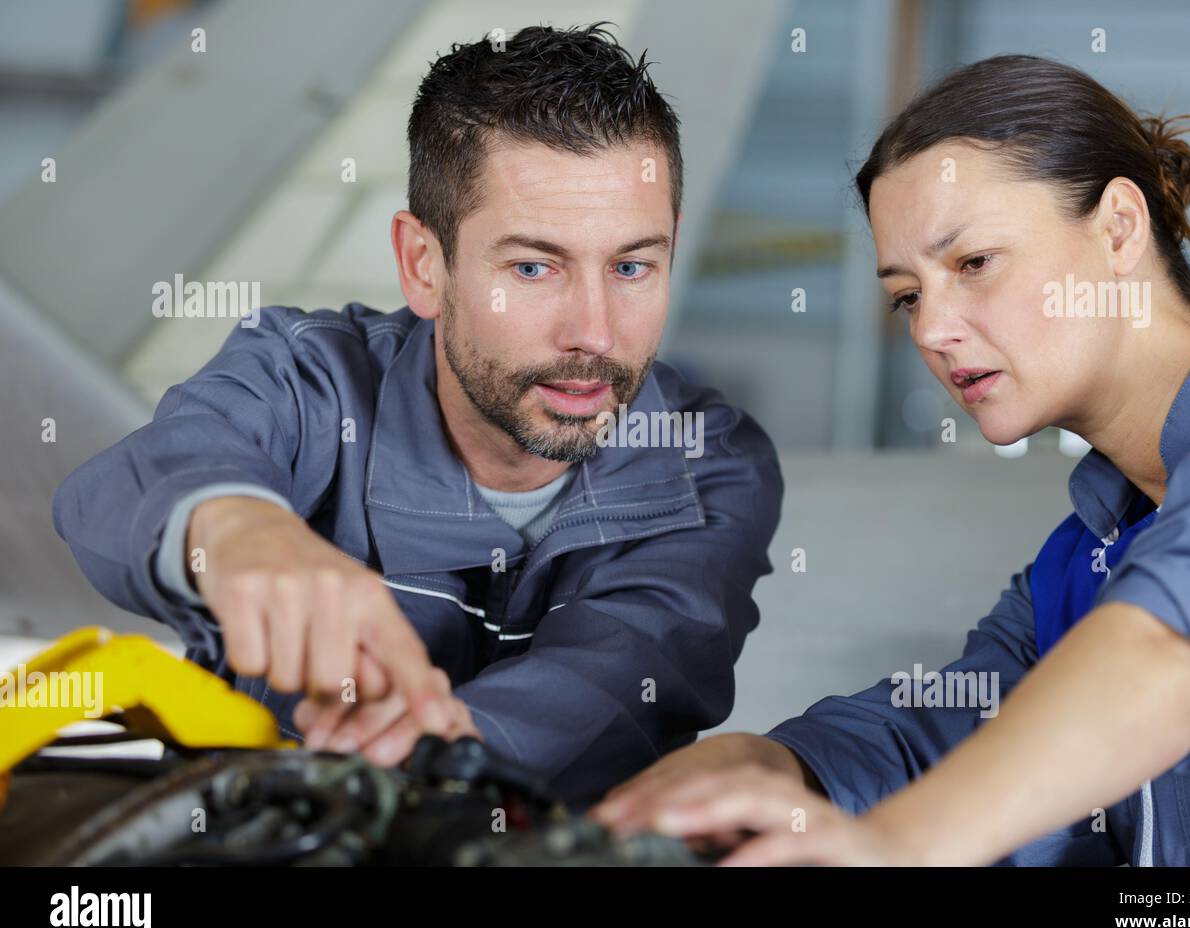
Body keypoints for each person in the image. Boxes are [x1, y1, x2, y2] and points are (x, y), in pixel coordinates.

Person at [52, 24, 782, 809]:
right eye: (534, 267)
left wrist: (401, 759)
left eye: (632, 266)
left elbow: (616, 684)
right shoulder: (307, 379)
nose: (594, 334)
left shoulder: (710, 467)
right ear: (423, 266)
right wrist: (232, 527)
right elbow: (111, 493)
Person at [593, 54, 1190, 865]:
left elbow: (1186, 630)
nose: (931, 331)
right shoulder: (1075, 571)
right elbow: (933, 737)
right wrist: (756, 770)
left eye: (972, 264)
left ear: (1118, 229)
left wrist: (903, 843)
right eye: (908, 295)